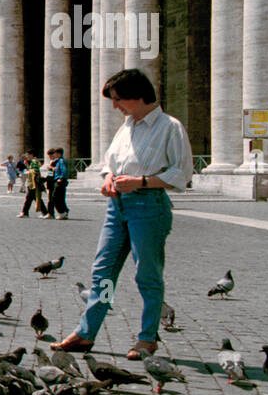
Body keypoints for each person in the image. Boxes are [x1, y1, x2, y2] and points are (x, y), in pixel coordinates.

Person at [55, 69, 192, 362]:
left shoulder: (170, 127)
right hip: (116, 208)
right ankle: (86, 332)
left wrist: (141, 182)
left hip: (149, 206)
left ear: (137, 96)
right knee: (102, 271)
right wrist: (108, 178)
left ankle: (147, 338)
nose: (115, 107)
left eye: (118, 100)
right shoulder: (126, 127)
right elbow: (110, 163)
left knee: (147, 274)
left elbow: (181, 173)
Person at [48, 147, 69, 219]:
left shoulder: (61, 161)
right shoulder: (59, 160)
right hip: (58, 180)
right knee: (60, 197)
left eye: (56, 153)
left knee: (55, 197)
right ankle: (63, 212)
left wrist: (61, 178)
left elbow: (64, 170)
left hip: (59, 181)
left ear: (59, 153)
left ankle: (61, 212)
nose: (55, 155)